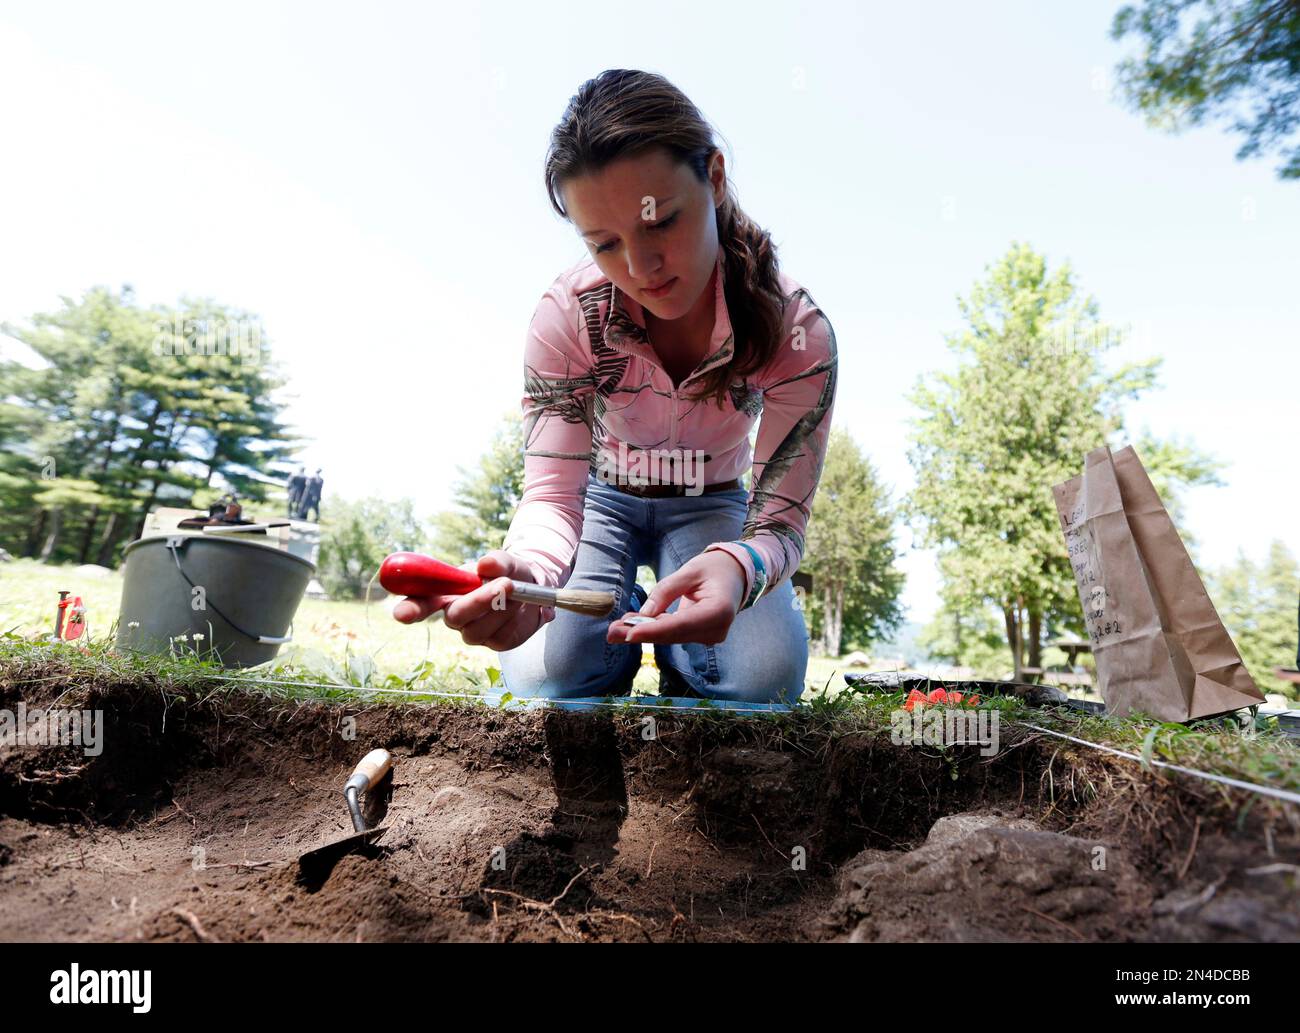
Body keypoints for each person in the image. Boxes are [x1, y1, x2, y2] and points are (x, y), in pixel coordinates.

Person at [393, 69, 837, 705]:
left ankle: (678, 647)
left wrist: (740, 569)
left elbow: (779, 523)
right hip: (603, 500)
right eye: (604, 244)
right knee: (547, 673)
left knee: (760, 678)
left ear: (713, 178)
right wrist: (534, 573)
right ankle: (612, 604)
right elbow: (551, 495)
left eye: (660, 223)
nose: (640, 269)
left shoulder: (797, 330)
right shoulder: (565, 316)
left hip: (713, 501)